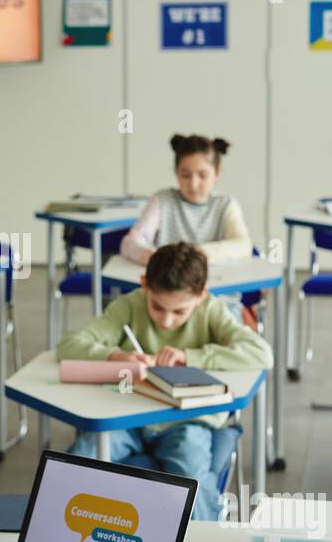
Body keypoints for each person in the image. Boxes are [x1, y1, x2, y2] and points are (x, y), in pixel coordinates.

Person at [56, 243, 273, 521]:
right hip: (127, 417)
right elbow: (69, 345)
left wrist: (189, 356)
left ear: (201, 294)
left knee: (190, 472)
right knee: (80, 460)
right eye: (158, 307)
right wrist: (116, 355)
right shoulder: (130, 305)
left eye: (180, 312)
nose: (167, 321)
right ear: (144, 284)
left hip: (187, 420)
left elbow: (262, 353)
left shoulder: (210, 310)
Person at [121, 134, 254, 322]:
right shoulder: (163, 201)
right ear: (176, 172)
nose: (193, 184)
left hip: (217, 299)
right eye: (185, 175)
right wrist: (157, 258)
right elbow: (130, 243)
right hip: (169, 301)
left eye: (202, 175)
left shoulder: (225, 204)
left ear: (217, 172)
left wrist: (197, 255)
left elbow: (243, 244)